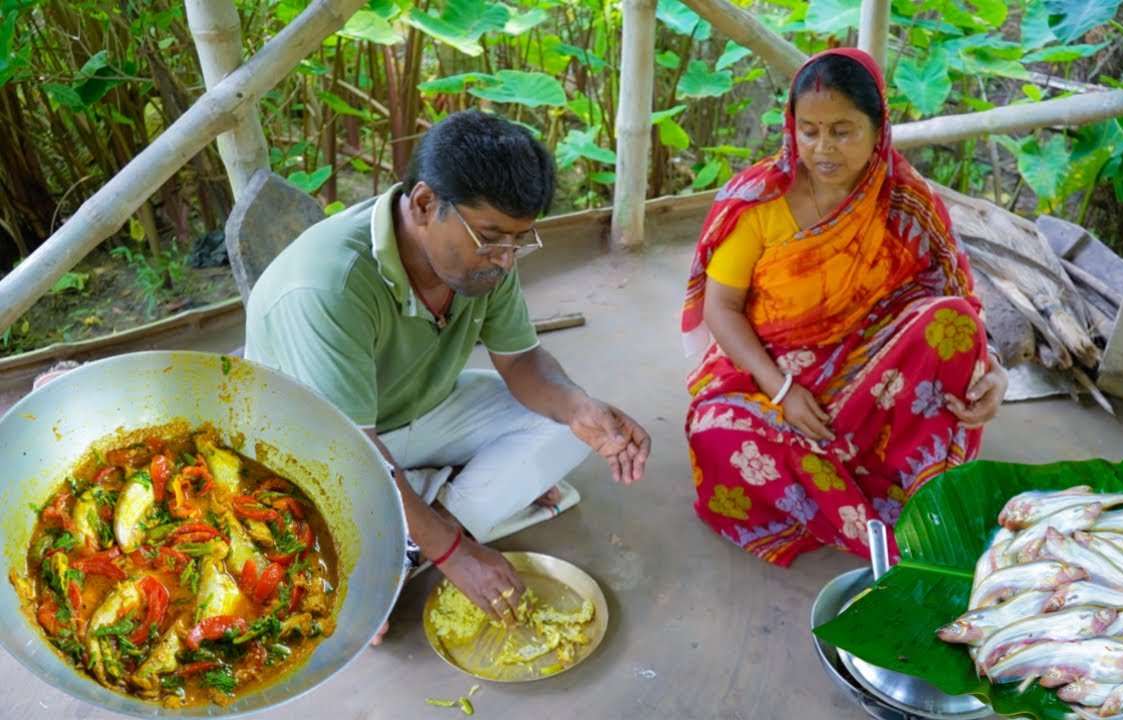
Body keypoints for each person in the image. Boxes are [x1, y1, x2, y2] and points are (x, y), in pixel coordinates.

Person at [244, 109, 650, 640]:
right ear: (423, 204)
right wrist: (457, 554)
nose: (506, 260)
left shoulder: (486, 257)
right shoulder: (327, 285)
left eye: (519, 240)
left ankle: (407, 534)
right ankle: (414, 519)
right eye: (492, 238)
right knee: (323, 570)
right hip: (314, 450)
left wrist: (580, 407)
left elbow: (521, 362)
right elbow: (351, 452)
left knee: (567, 429)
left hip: (413, 409)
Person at [680, 48, 1007, 567]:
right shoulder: (760, 201)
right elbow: (722, 309)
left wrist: (994, 372)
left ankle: (901, 479)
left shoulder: (906, 202)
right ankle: (873, 515)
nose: (822, 148)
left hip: (875, 378)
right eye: (808, 131)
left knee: (954, 324)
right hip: (773, 376)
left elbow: (958, 296)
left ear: (879, 130)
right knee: (716, 433)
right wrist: (783, 391)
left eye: (842, 131)